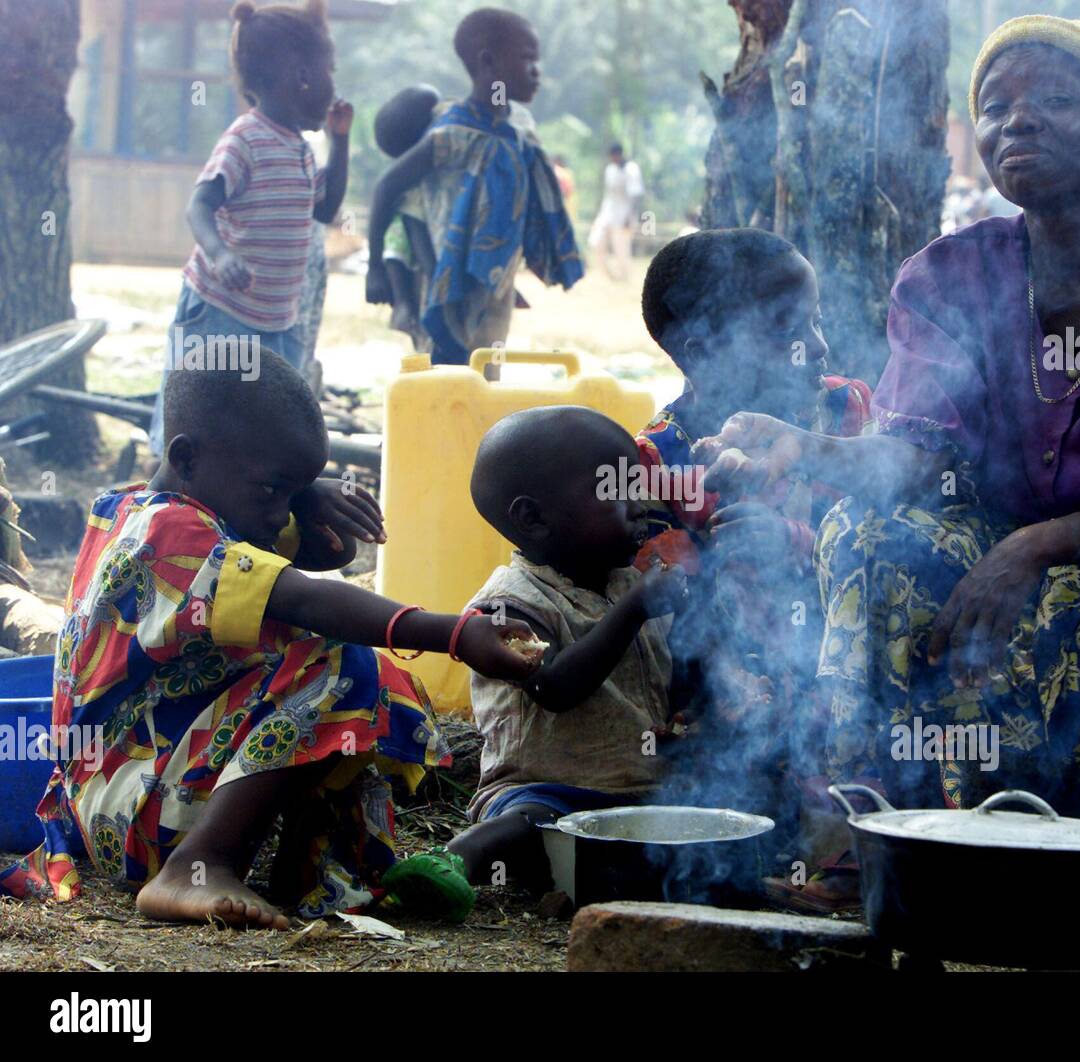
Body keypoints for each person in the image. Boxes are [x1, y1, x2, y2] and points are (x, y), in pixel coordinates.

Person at [701, 17, 1080, 926]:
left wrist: (1040, 545)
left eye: (1055, 100)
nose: (1017, 123)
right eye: (995, 106)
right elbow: (916, 454)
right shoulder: (948, 275)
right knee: (861, 530)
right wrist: (813, 453)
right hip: (986, 580)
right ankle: (883, 820)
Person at [0, 352, 541, 928]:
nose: (280, 512)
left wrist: (300, 497)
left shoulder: (136, 506)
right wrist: (454, 634)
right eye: (273, 491)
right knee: (341, 668)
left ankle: (308, 875)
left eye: (292, 493)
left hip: (119, 802)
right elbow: (306, 598)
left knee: (358, 685)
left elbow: (325, 551)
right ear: (186, 458)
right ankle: (198, 864)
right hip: (132, 812)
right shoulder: (170, 534)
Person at [635, 229, 871, 909]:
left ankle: (835, 845)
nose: (819, 347)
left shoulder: (845, 415)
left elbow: (888, 532)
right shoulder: (658, 463)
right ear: (703, 348)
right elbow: (670, 618)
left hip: (854, 660)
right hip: (737, 699)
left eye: (818, 321)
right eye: (790, 329)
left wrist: (795, 543)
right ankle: (805, 845)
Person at [446, 407, 688, 889]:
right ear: (534, 518)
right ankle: (448, 865)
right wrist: (635, 610)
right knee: (527, 823)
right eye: (614, 493)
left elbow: (665, 679)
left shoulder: (629, 584)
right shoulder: (509, 605)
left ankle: (595, 872)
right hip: (544, 791)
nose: (639, 507)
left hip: (640, 795)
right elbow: (554, 685)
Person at [148, 0, 351, 455]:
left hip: (276, 321)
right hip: (220, 311)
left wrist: (341, 142)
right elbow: (200, 203)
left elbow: (325, 208)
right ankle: (169, 502)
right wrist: (220, 254)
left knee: (258, 428)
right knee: (196, 418)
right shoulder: (246, 137)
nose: (334, 84)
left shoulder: (299, 146)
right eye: (329, 71)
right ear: (301, 76)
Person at [365, 8, 582, 365]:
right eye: (527, 58)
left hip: (494, 292)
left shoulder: (518, 130)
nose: (536, 70)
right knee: (445, 385)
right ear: (488, 63)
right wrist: (374, 265)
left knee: (485, 379)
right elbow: (387, 187)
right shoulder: (453, 134)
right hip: (442, 292)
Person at [373, 84, 440, 348]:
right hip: (424, 274)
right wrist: (438, 279)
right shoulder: (415, 185)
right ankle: (402, 303)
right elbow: (415, 229)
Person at [589, 143, 645, 282]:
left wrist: (630, 217)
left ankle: (624, 279)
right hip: (607, 212)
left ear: (619, 154)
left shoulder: (632, 169)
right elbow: (608, 195)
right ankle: (609, 275)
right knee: (595, 241)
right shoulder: (610, 169)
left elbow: (636, 195)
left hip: (624, 214)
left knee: (621, 249)